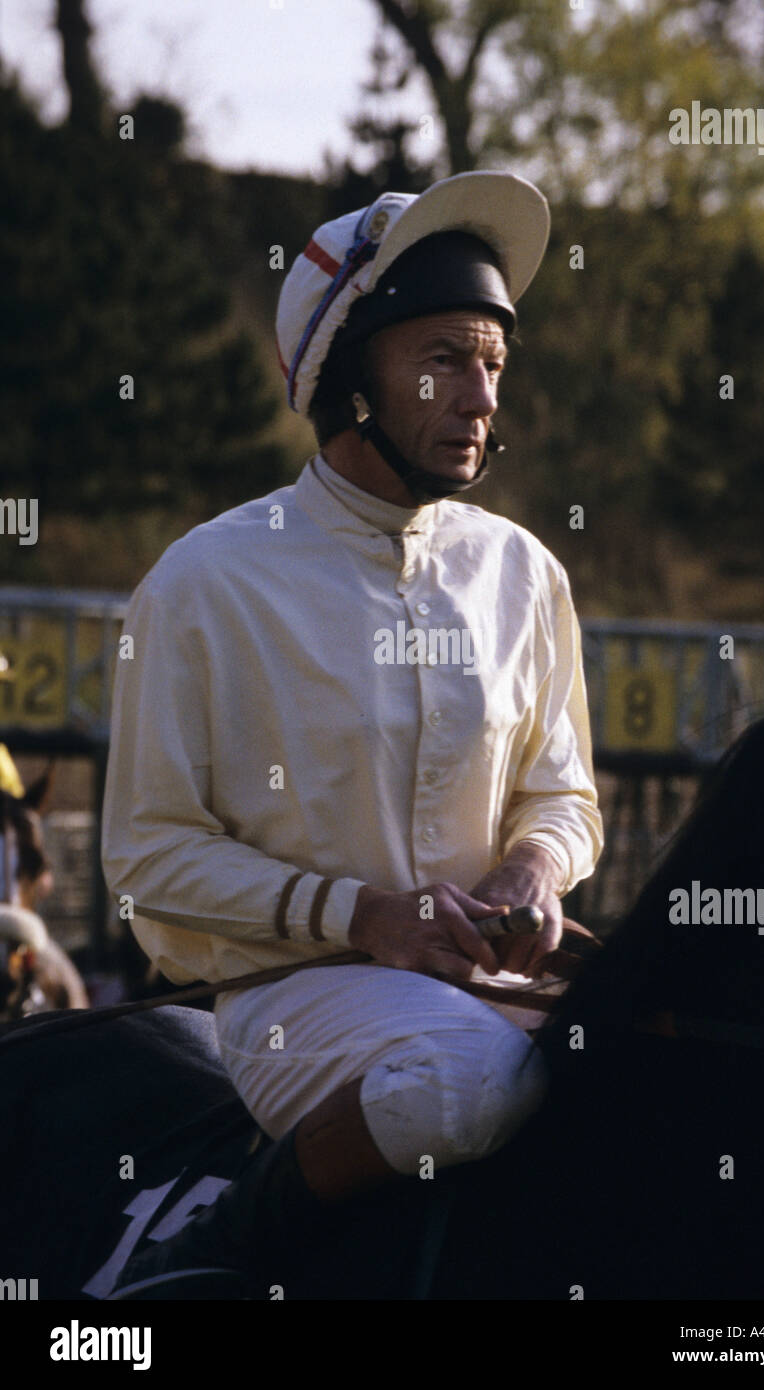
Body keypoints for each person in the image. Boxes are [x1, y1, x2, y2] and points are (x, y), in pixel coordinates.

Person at [101, 170, 603, 1298]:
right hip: (298, 997)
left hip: (493, 987)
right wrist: (364, 915)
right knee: (477, 1082)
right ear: (346, 378)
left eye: (492, 362)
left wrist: (534, 865)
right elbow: (146, 859)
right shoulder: (205, 581)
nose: (480, 396)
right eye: (442, 359)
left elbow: (561, 795)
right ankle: (216, 1252)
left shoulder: (525, 572)